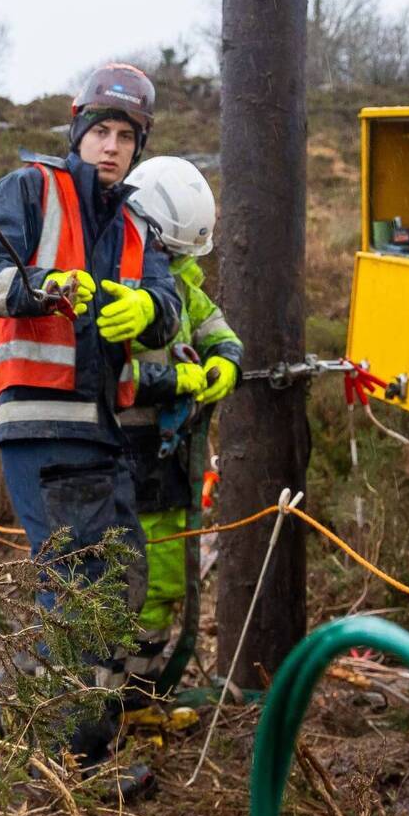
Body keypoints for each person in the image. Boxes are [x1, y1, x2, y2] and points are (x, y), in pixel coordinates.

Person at [0, 64, 188, 782]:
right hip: (42, 424)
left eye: (126, 136)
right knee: (91, 590)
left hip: (103, 433)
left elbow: (169, 298)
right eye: (101, 132)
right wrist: (47, 287)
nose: (111, 147)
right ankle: (74, 760)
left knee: (108, 583)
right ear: (77, 129)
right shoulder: (28, 189)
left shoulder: (132, 224)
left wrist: (149, 310)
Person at [119, 156, 241, 698]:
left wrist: (225, 364)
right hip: (125, 455)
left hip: (172, 463)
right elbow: (111, 373)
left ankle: (138, 696)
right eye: (167, 251)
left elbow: (219, 331)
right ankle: (102, 706)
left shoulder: (185, 286)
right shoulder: (116, 282)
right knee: (122, 588)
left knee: (166, 583)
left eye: (181, 255)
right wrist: (177, 380)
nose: (171, 263)